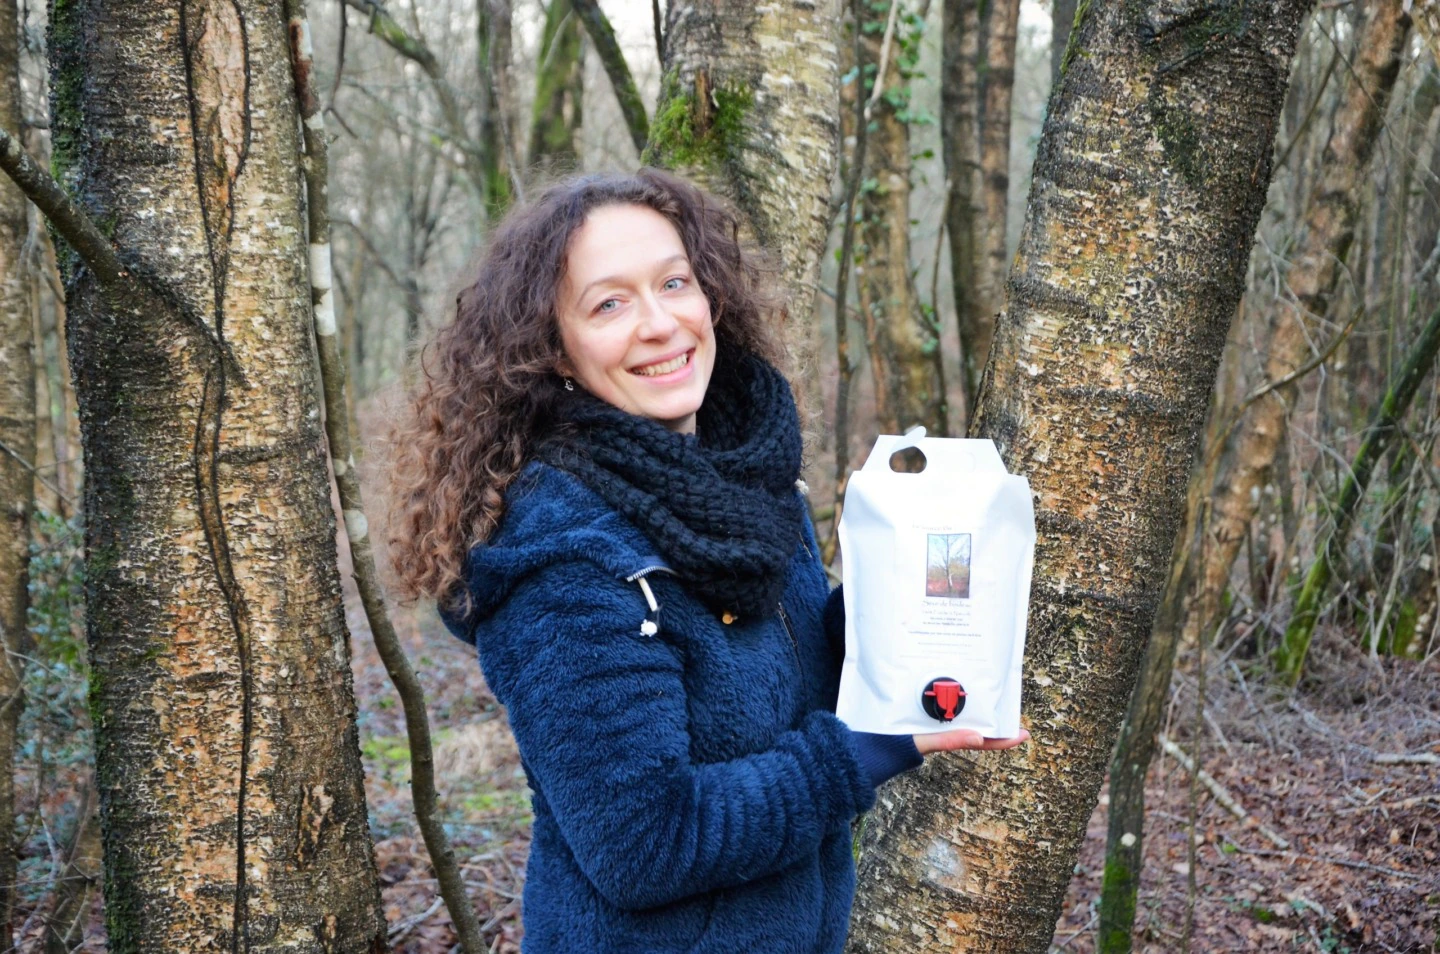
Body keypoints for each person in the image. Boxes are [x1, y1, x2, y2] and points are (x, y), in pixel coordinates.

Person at [386, 168, 1028, 953]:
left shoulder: (743, 485)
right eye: (609, 303)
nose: (660, 323)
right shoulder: (566, 561)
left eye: (674, 282)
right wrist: (859, 755)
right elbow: (643, 843)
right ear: (553, 348)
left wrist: (901, 605)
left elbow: (777, 685)